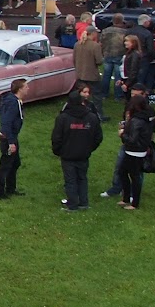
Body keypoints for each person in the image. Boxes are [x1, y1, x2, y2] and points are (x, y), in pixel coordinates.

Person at [50, 84, 103, 212]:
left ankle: (72, 205)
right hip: (84, 154)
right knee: (82, 178)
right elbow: (98, 137)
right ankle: (83, 203)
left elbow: (56, 138)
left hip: (67, 155)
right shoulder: (92, 117)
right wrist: (89, 148)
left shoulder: (63, 118)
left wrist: (59, 151)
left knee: (70, 180)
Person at [115, 90, 155, 211]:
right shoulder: (146, 117)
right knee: (123, 173)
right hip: (139, 150)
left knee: (133, 176)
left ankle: (134, 203)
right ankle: (126, 198)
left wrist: (122, 134)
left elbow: (132, 139)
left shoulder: (136, 120)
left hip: (134, 151)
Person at [0, 77, 27, 200]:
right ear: (20, 89)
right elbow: (6, 122)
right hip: (9, 138)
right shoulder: (13, 103)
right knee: (6, 165)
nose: (28, 89)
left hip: (12, 136)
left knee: (15, 163)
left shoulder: (14, 101)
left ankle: (10, 188)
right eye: (26, 87)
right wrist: (11, 142)